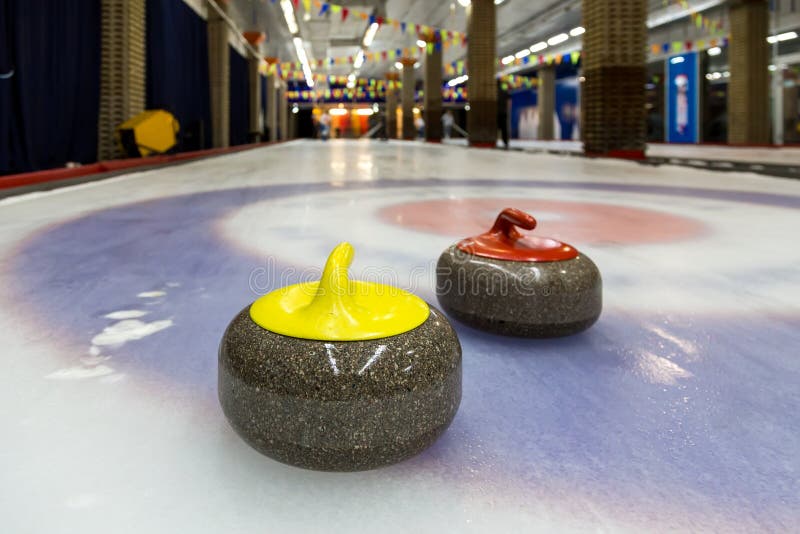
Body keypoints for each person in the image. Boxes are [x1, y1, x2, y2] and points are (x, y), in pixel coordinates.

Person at [497, 79, 510, 149]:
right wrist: (507, 110)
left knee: (495, 128)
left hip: (496, 113)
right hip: (504, 112)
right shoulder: (504, 92)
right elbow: (509, 102)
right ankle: (505, 142)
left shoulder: (495, 92)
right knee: (504, 129)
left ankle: (493, 140)